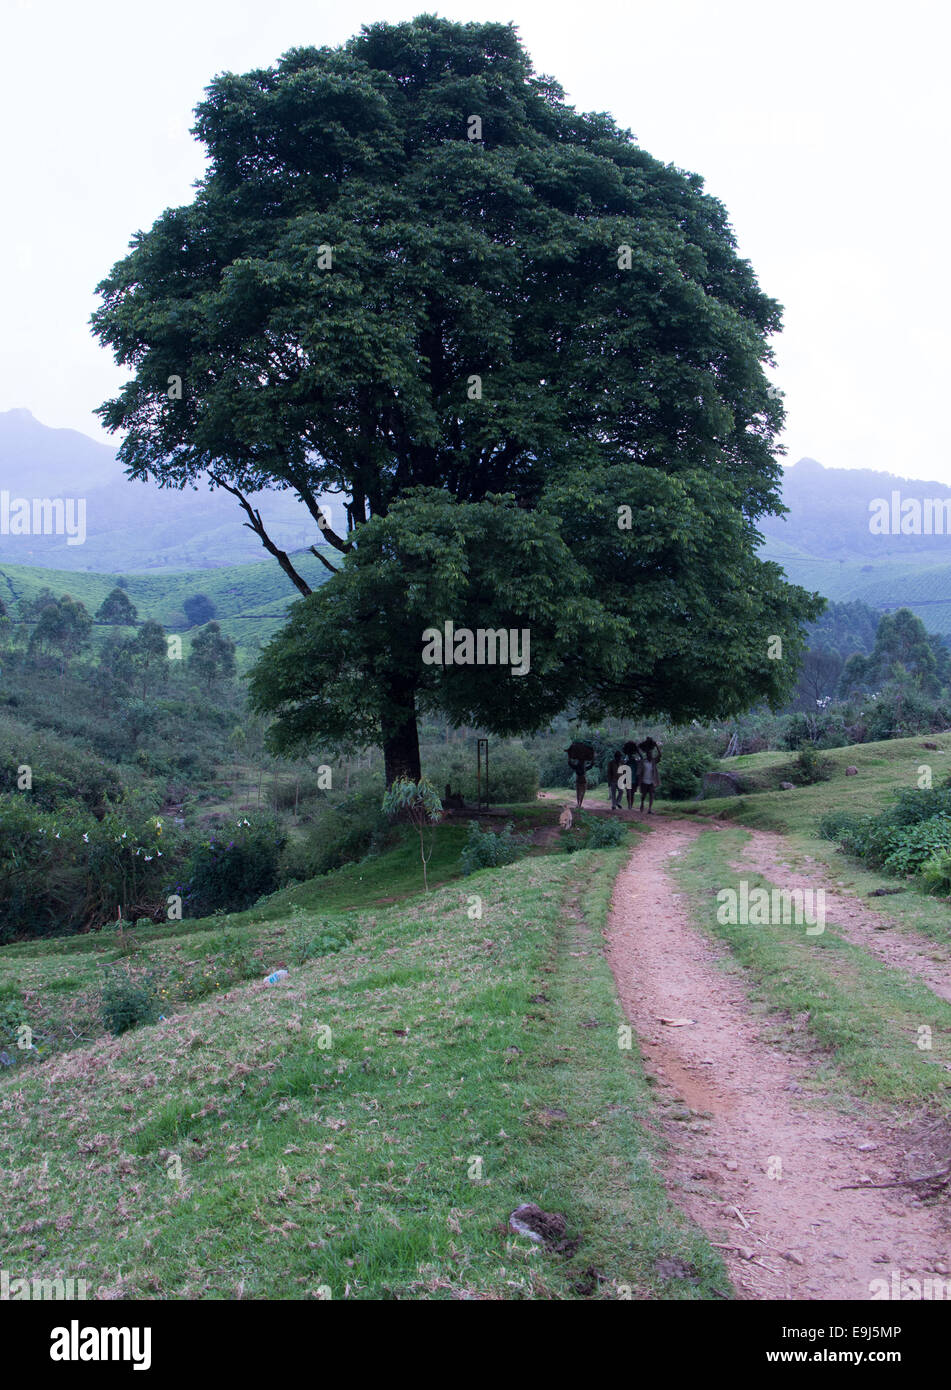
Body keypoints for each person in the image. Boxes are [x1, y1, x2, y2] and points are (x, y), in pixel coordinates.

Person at [637, 738, 661, 813]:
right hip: (644, 781)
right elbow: (640, 755)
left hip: (651, 781)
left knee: (651, 795)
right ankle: (642, 804)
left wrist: (656, 746)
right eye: (648, 754)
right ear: (647, 755)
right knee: (643, 795)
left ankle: (650, 809)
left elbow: (660, 755)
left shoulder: (654, 761)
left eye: (650, 754)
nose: (649, 755)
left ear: (651, 755)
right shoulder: (644, 762)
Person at [621, 740, 639, 810]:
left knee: (632, 794)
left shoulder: (636, 762)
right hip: (627, 779)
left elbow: (642, 759)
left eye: (631, 756)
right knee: (628, 793)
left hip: (634, 780)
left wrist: (637, 751)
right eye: (630, 756)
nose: (631, 757)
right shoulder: (626, 762)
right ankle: (629, 805)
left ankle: (631, 805)